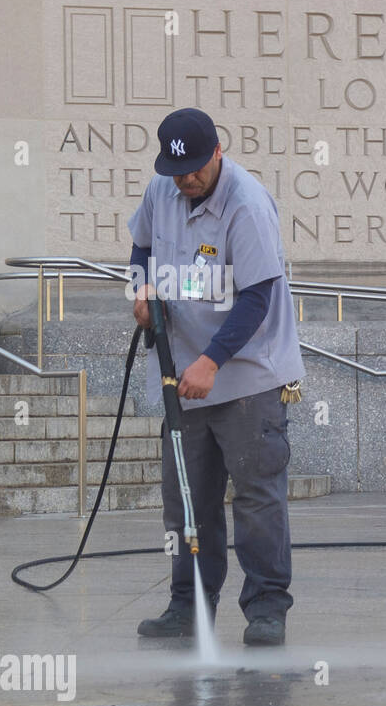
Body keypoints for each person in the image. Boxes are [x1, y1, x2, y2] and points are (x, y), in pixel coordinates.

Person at [128, 107, 305, 646]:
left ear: (218, 151)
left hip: (247, 375)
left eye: (197, 168)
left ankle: (266, 608)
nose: (187, 179)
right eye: (178, 170)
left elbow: (256, 298)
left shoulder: (246, 204)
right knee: (187, 499)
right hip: (184, 377)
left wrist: (211, 361)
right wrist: (140, 289)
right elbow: (141, 247)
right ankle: (189, 605)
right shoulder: (162, 189)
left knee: (256, 496)